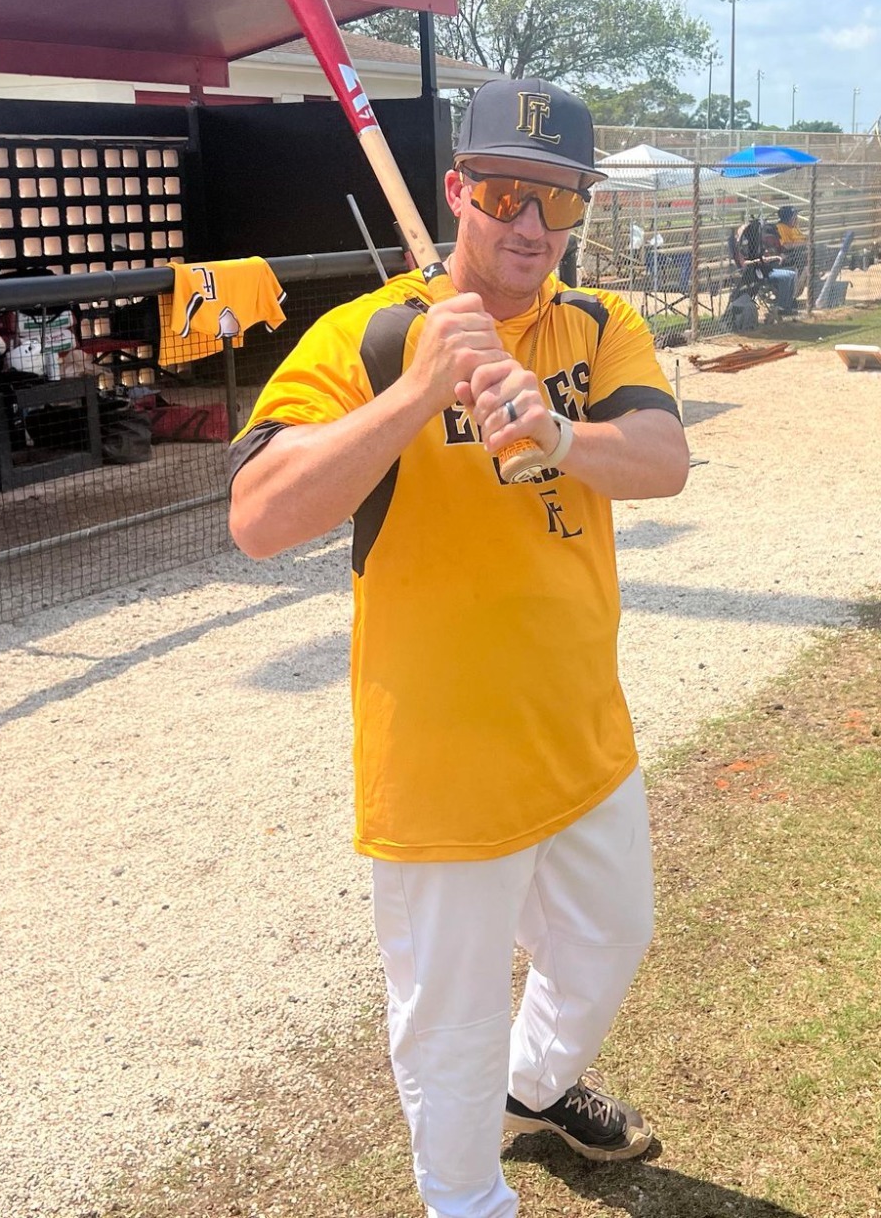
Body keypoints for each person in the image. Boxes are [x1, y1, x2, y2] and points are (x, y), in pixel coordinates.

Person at [228, 77, 689, 1218]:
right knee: (451, 1013)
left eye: (558, 201)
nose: (530, 226)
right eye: (504, 192)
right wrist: (416, 391)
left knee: (607, 943)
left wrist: (558, 431)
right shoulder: (374, 334)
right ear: (456, 192)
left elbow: (665, 460)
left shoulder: (596, 326)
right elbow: (257, 519)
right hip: (438, 755)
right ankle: (464, 1198)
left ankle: (532, 1091)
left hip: (581, 731)